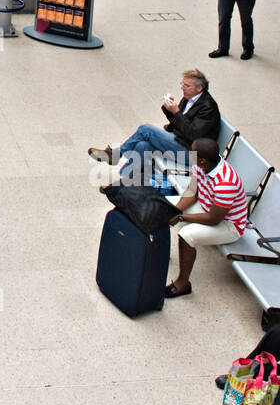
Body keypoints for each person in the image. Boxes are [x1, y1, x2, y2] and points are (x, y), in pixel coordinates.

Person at [88, 69, 220, 186]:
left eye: (187, 86)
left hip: (192, 153)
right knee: (142, 146)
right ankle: (124, 182)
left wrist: (176, 112)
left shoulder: (208, 107)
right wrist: (170, 109)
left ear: (199, 88)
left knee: (146, 129)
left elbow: (193, 134)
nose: (182, 88)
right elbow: (179, 123)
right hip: (180, 141)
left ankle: (116, 155)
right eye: (182, 84)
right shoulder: (190, 98)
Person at [165, 137, 248, 297]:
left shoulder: (226, 182)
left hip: (229, 225)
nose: (189, 156)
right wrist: (174, 210)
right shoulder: (203, 165)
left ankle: (183, 284)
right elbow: (192, 192)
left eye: (192, 154)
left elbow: (213, 219)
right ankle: (161, 253)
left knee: (187, 236)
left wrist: (182, 217)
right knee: (164, 208)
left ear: (202, 160)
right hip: (207, 205)